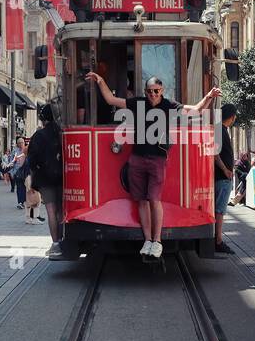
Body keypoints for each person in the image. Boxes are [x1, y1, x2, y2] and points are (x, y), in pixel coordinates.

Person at [85, 71, 221, 259]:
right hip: (137, 159)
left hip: (157, 160)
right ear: (145, 91)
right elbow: (111, 100)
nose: (153, 95)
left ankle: (157, 241)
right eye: (149, 91)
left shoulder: (169, 105)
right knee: (141, 200)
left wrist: (208, 96)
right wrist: (101, 81)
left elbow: (196, 111)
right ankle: (148, 240)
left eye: (156, 91)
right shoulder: (138, 103)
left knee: (154, 200)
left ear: (162, 90)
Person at [27, 104, 65, 258]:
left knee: (51, 210)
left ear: (43, 119)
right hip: (63, 176)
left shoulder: (39, 135)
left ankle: (56, 244)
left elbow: (31, 159)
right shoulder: (61, 133)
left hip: (46, 178)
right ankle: (64, 240)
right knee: (62, 210)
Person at [210, 104, 238, 254]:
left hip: (222, 176)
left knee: (219, 209)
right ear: (232, 116)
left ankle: (216, 238)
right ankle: (218, 241)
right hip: (222, 177)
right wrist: (225, 170)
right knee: (220, 210)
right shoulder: (220, 130)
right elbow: (215, 153)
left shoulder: (220, 130)